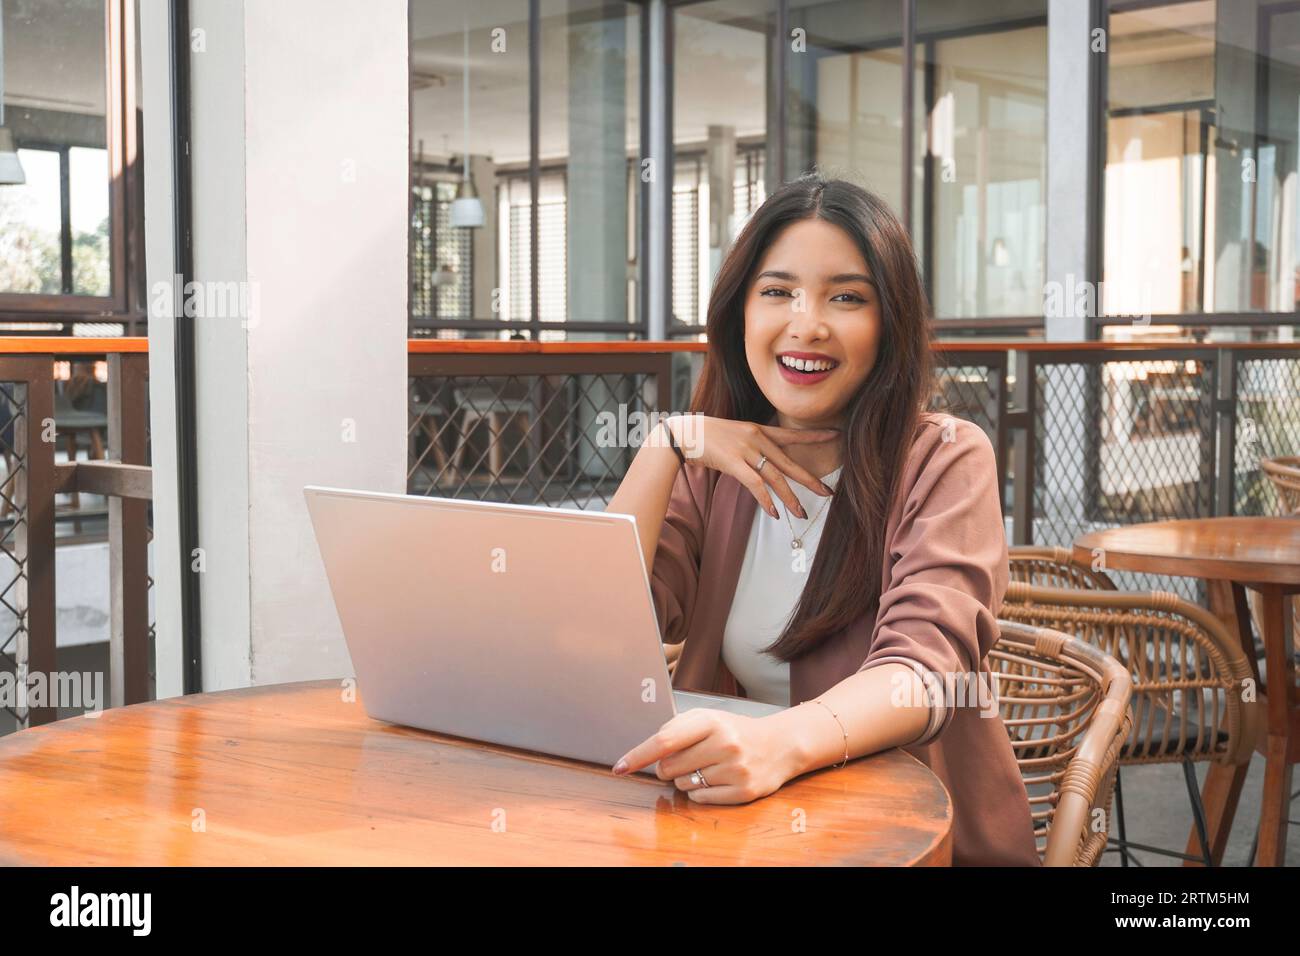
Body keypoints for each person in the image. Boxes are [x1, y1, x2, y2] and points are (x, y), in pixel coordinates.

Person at [605, 172, 1039, 866]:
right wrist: (667, 443)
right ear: (739, 314)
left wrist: (777, 743)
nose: (807, 323)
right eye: (777, 292)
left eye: (846, 297)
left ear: (888, 323)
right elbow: (613, 627)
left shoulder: (947, 458)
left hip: (910, 840)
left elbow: (922, 673)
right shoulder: (715, 460)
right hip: (743, 833)